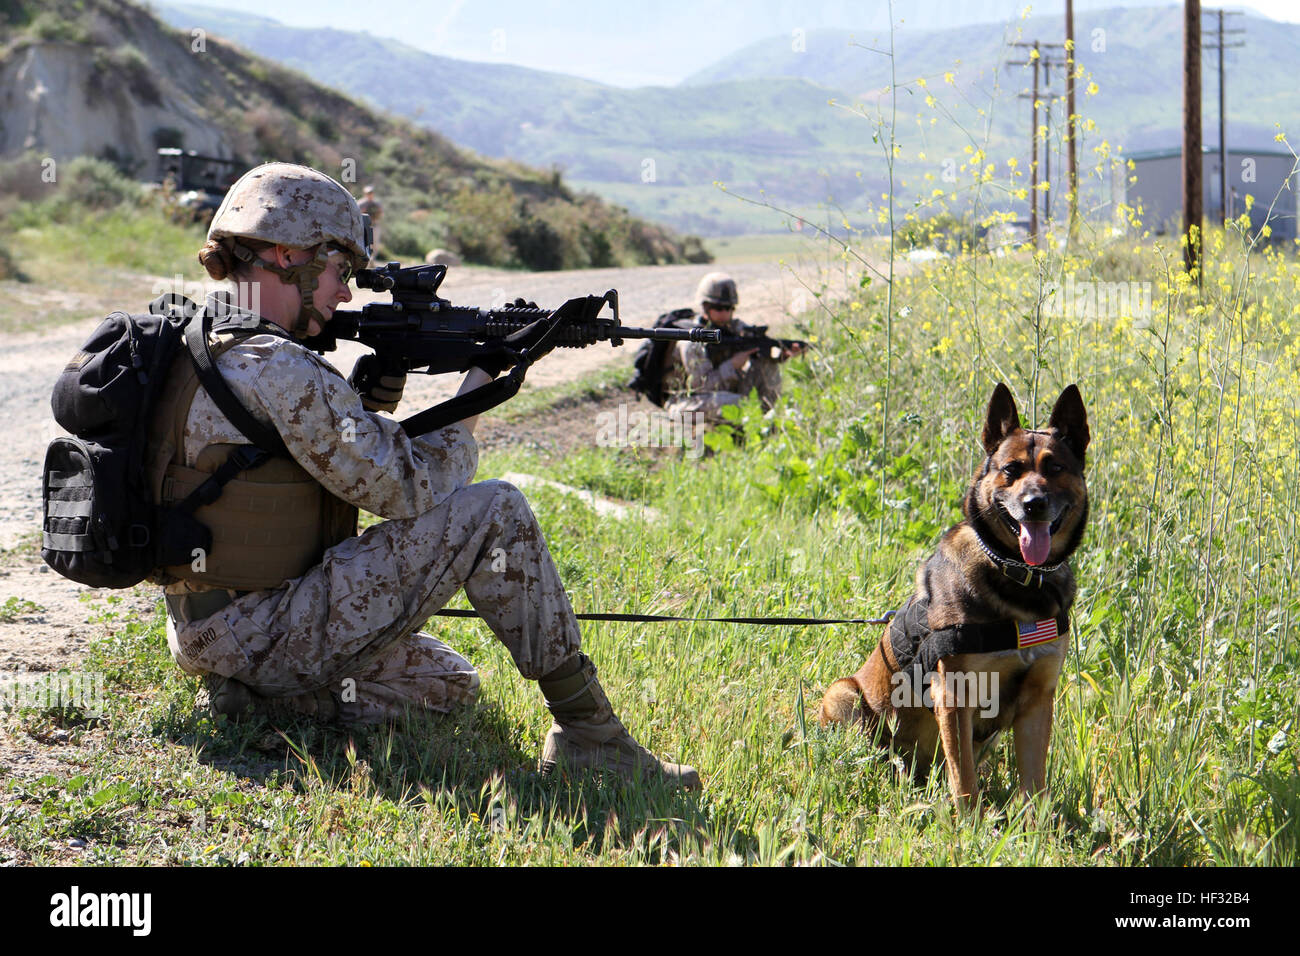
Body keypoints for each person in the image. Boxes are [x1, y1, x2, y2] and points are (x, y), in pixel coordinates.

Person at [160, 162, 698, 789]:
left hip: (209, 626)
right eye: (338, 271)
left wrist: (368, 405)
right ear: (286, 255)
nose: (345, 294)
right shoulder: (280, 370)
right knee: (494, 512)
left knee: (448, 683)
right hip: (268, 628)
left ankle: (261, 698)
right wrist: (482, 385)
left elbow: (287, 466)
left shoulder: (197, 337)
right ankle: (590, 736)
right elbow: (408, 486)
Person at [662, 272, 800, 423]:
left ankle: (768, 420)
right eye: (719, 308)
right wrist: (732, 365)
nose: (725, 313)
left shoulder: (736, 329)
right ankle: (751, 421)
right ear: (705, 307)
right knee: (741, 404)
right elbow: (702, 387)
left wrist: (781, 354)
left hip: (726, 393)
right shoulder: (692, 339)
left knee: (768, 367)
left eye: (729, 308)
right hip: (686, 401)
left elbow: (762, 346)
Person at [357, 185, 383, 266]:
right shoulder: (360, 203)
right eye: (368, 193)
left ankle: (372, 260)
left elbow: (381, 214)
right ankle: (366, 261)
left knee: (375, 245)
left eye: (371, 193)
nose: (370, 194)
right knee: (365, 244)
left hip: (374, 225)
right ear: (365, 194)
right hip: (364, 226)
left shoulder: (376, 203)